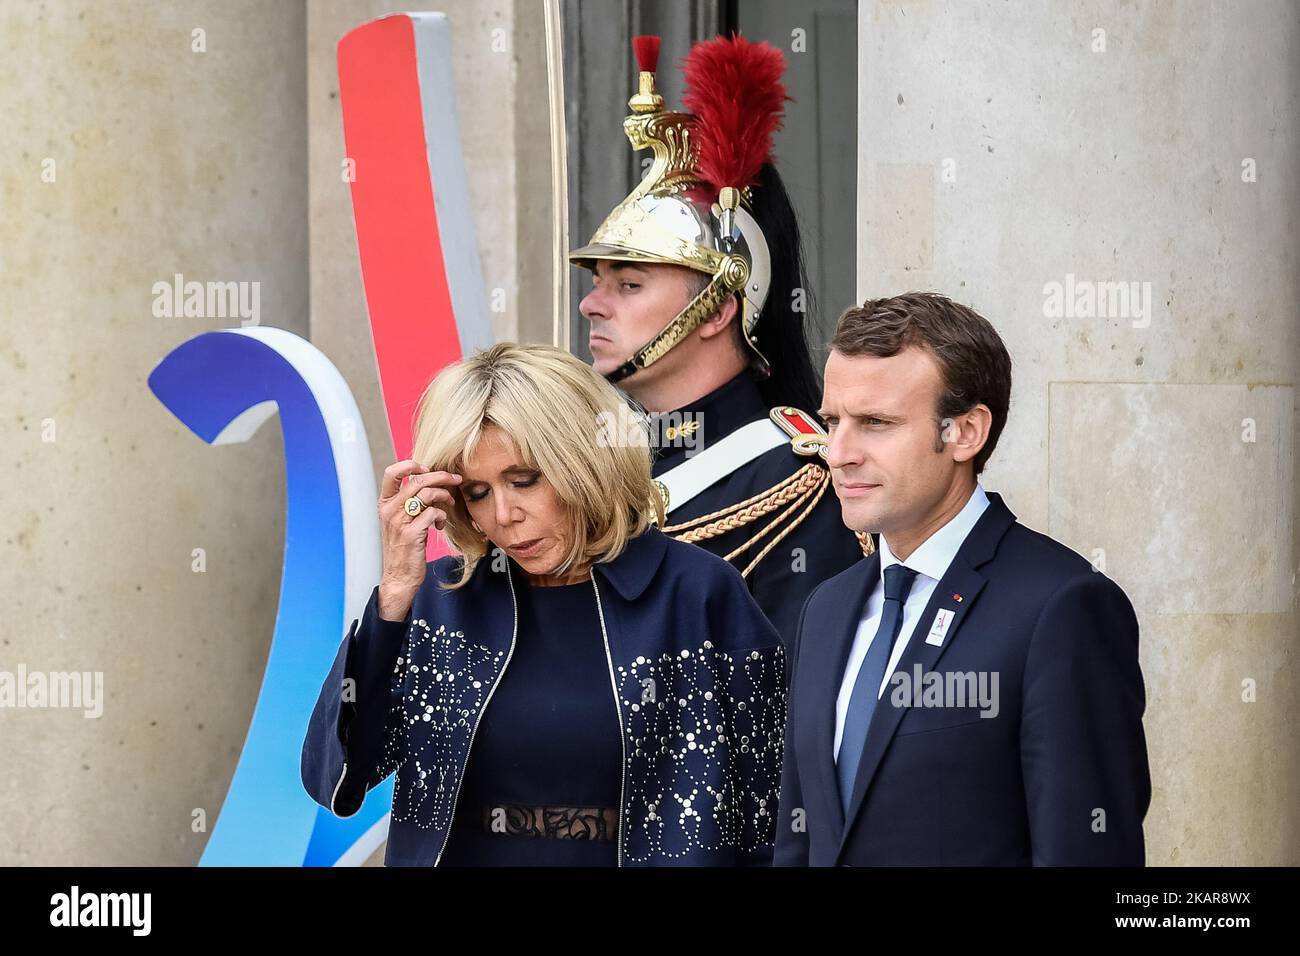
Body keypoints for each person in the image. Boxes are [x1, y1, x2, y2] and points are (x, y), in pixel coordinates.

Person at [300, 342, 786, 866]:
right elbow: (338, 777)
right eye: (478, 493)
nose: (504, 515)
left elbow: (771, 812)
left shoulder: (695, 594)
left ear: (585, 462)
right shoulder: (443, 600)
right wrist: (393, 595)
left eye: (524, 480)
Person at [774, 293, 1151, 866]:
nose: (839, 452)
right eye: (832, 422)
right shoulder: (826, 608)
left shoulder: (1061, 608)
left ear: (966, 432)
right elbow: (800, 843)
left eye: (876, 423)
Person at [569, 33, 866, 650]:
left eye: (628, 283)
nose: (590, 304)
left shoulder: (799, 487)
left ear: (717, 309)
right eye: (598, 282)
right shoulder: (590, 464)